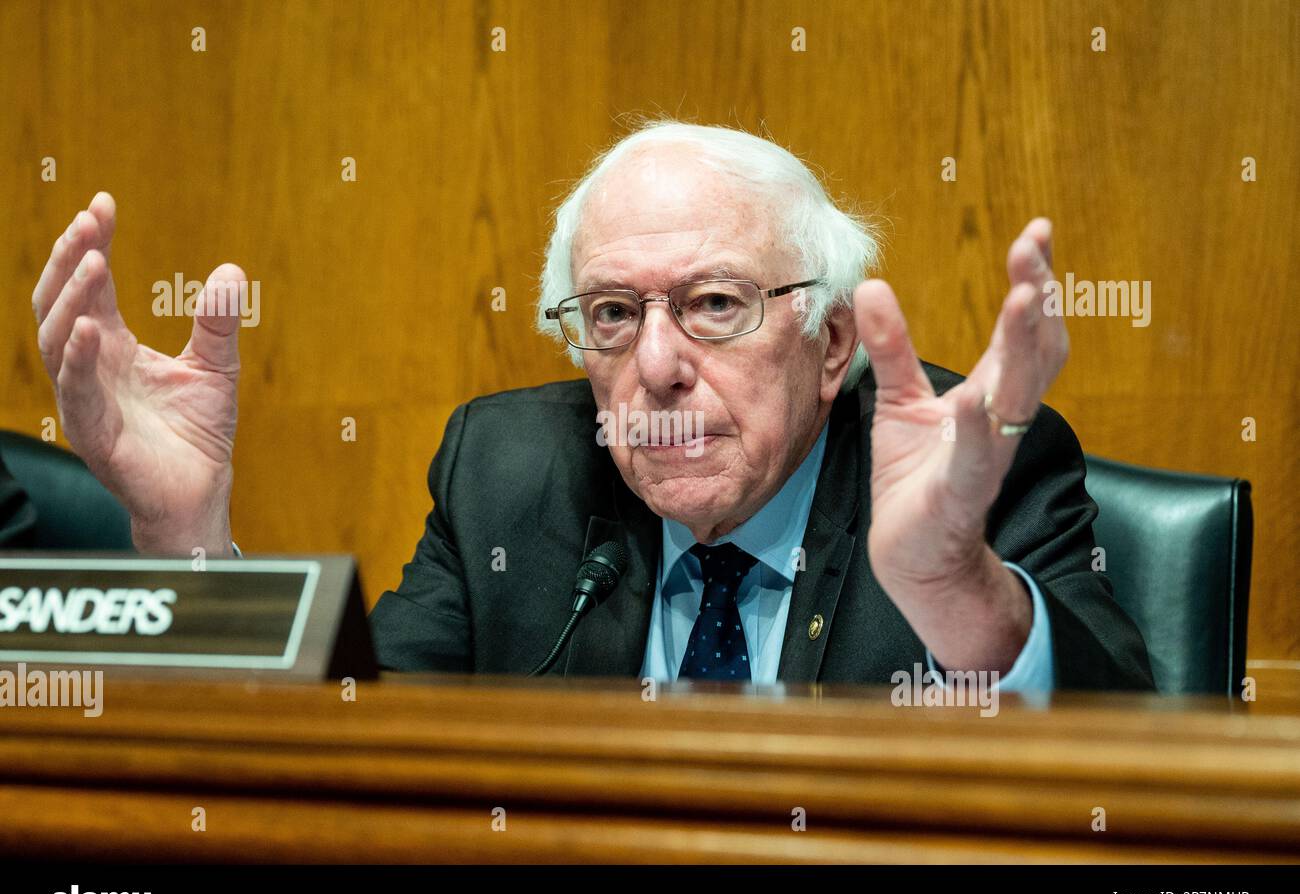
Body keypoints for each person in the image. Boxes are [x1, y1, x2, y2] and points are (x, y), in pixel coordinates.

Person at [29, 121, 1152, 689]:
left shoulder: (960, 462)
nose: (655, 364)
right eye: (611, 314)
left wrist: (955, 589)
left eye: (714, 303)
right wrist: (189, 540)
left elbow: (1128, 763)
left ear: (831, 343)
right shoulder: (507, 471)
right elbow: (358, 752)